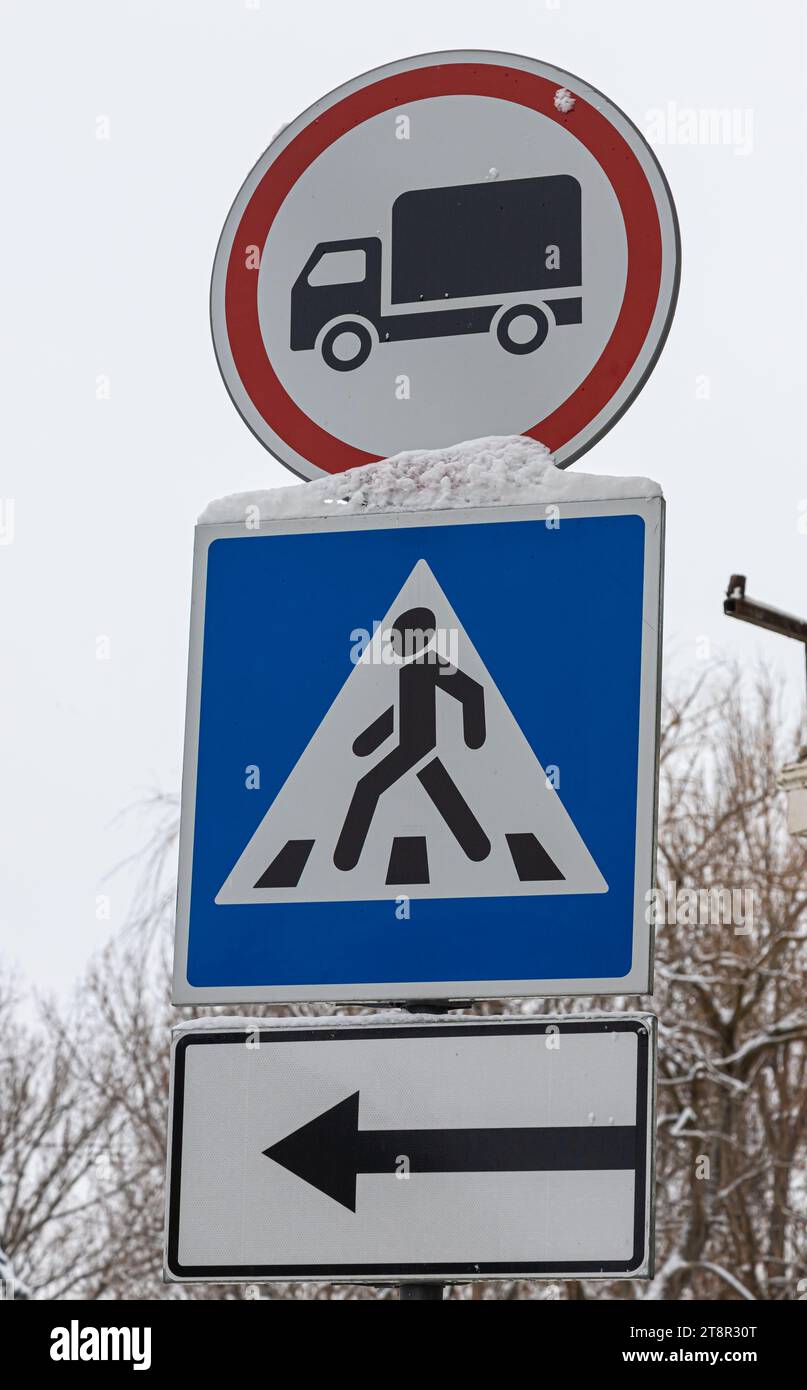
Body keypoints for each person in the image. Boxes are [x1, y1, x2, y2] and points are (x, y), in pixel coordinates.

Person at [334, 606, 490, 871]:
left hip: (418, 747)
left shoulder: (433, 662)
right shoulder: (408, 670)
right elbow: (401, 711)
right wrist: (367, 742)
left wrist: (473, 736)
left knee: (368, 788)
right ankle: (479, 848)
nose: (395, 643)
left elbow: (472, 692)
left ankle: (344, 860)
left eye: (400, 637)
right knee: (442, 792)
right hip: (412, 746)